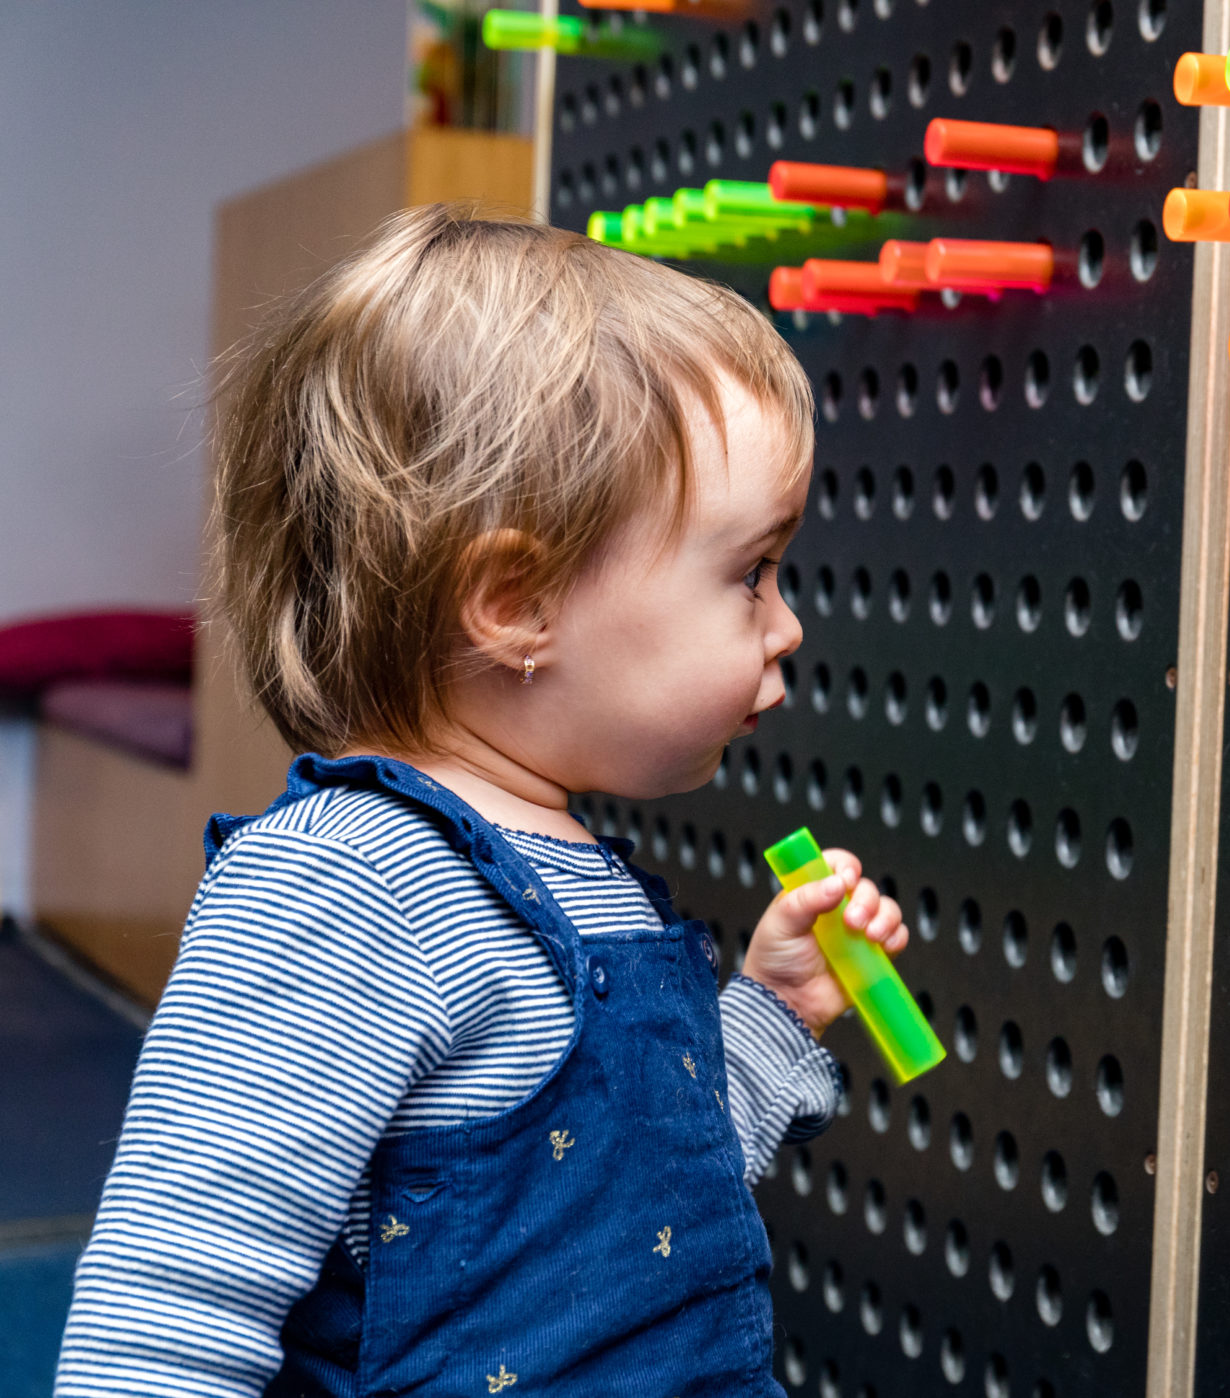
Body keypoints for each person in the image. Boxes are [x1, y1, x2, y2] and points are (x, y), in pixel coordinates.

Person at [54, 204, 908, 1396]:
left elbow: (641, 1219)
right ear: (517, 601)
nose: (788, 625)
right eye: (751, 573)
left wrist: (766, 1013)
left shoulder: (578, 871)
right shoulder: (341, 885)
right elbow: (170, 1307)